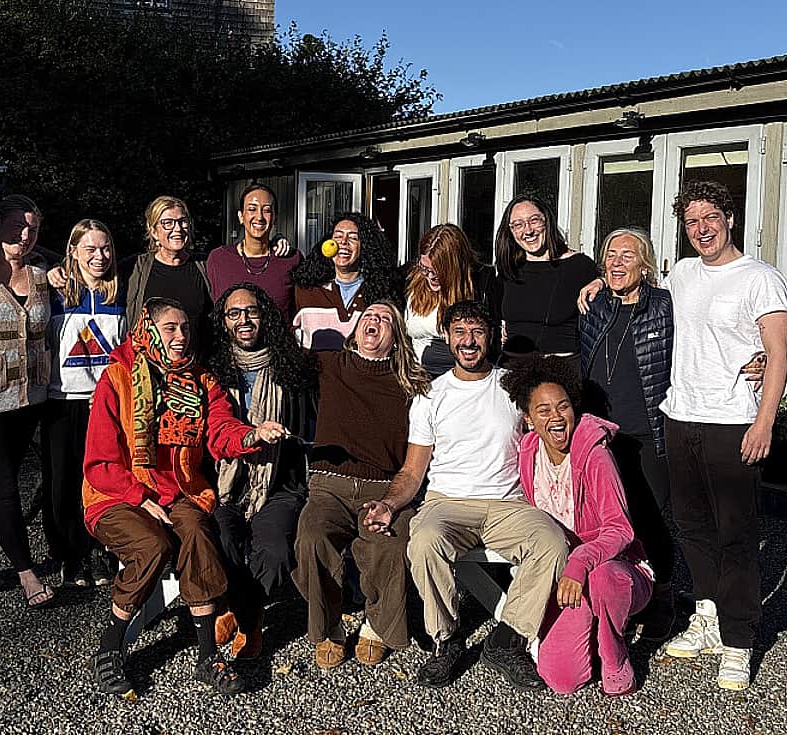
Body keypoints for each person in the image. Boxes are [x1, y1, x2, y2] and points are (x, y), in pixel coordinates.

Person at [83, 297, 287, 699]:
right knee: (152, 545)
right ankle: (110, 647)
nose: (180, 336)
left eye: (185, 328)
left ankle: (208, 655)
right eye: (170, 328)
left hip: (178, 491)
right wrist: (139, 496)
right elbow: (99, 460)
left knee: (196, 529)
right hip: (115, 492)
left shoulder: (200, 380)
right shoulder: (118, 377)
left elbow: (220, 429)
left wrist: (251, 435)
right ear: (149, 329)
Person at [364, 301, 568, 690]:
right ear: (447, 337)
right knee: (423, 540)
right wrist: (390, 504)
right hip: (448, 502)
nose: (468, 341)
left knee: (552, 542)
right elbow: (412, 470)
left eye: (477, 332)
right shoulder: (430, 395)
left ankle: (507, 639)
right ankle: (448, 639)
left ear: (491, 337)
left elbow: (547, 442)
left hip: (509, 502)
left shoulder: (513, 388)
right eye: (460, 332)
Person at [656, 180, 787, 691]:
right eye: (691, 222)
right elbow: (640, 294)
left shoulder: (760, 278)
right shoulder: (683, 274)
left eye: (710, 217)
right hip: (682, 414)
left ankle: (738, 641)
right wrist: (596, 282)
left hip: (734, 421)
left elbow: (777, 355)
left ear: (729, 218)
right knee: (692, 527)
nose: (701, 229)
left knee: (735, 534)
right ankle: (709, 616)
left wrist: (765, 421)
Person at [501, 355, 653, 696]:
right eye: (543, 411)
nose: (556, 417)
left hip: (615, 568)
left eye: (563, 406)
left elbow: (620, 529)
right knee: (562, 679)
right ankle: (593, 631)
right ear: (528, 420)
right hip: (565, 574)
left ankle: (614, 653)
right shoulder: (527, 453)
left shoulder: (594, 454)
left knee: (603, 579)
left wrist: (580, 561)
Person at [292, 302, 431, 669]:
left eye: (385, 319)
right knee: (312, 536)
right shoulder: (330, 365)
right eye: (369, 315)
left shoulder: (412, 385)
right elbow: (282, 356)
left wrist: (394, 499)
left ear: (397, 338)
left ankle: (376, 625)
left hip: (384, 487)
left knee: (394, 540)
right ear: (355, 331)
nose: (375, 321)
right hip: (329, 486)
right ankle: (331, 626)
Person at [577, 227, 677, 639]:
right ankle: (621, 592)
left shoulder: (666, 305)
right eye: (610, 255)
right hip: (601, 432)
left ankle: (664, 595)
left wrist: (756, 358)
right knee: (608, 520)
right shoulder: (596, 303)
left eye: (627, 256)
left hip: (647, 430)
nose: (617, 263)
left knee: (650, 518)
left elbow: (713, 331)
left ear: (646, 264)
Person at [207, 282, 316, 660]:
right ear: (223, 322)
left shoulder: (294, 369)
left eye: (251, 311)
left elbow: (310, 430)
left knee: (274, 549)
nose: (243, 319)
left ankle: (240, 615)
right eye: (234, 313)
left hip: (280, 482)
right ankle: (249, 618)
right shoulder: (212, 374)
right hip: (227, 483)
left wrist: (286, 439)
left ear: (264, 315)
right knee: (222, 537)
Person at [0, 195, 55, 607]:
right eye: (17, 225)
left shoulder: (42, 276)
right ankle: (27, 573)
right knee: (3, 486)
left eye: (32, 228)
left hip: (30, 398)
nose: (24, 234)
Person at [41, 219, 129, 588]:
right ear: (73, 251)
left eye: (105, 248)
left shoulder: (120, 292)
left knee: (104, 480)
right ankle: (67, 553)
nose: (100, 256)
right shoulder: (55, 291)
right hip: (62, 400)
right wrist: (48, 275)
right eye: (90, 249)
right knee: (61, 482)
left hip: (105, 404)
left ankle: (101, 548)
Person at [494, 196, 598, 370]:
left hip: (562, 371)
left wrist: (601, 281)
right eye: (518, 225)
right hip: (513, 370)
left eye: (534, 220)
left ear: (547, 221)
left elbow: (617, 287)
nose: (528, 231)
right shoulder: (508, 269)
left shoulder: (579, 266)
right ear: (510, 231)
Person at [290, 212, 402, 351]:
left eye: (353, 238)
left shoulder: (381, 293)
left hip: (362, 372)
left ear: (365, 247)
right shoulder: (306, 290)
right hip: (314, 372)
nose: (343, 242)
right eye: (337, 236)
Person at [120, 196, 213, 358]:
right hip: (147, 372)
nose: (177, 229)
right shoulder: (134, 267)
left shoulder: (206, 265)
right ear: (153, 231)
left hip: (196, 371)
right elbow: (95, 270)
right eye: (168, 223)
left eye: (182, 221)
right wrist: (61, 269)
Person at [404, 223, 500, 378]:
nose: (430, 276)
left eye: (438, 271)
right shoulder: (411, 278)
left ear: (454, 266)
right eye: (425, 268)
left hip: (462, 376)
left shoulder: (482, 283)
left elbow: (491, 342)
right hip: (416, 374)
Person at [206, 183, 302, 323]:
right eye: (252, 209)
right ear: (241, 216)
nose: (259, 217)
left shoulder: (291, 260)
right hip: (230, 344)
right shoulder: (219, 260)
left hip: (278, 343)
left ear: (275, 217)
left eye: (267, 210)